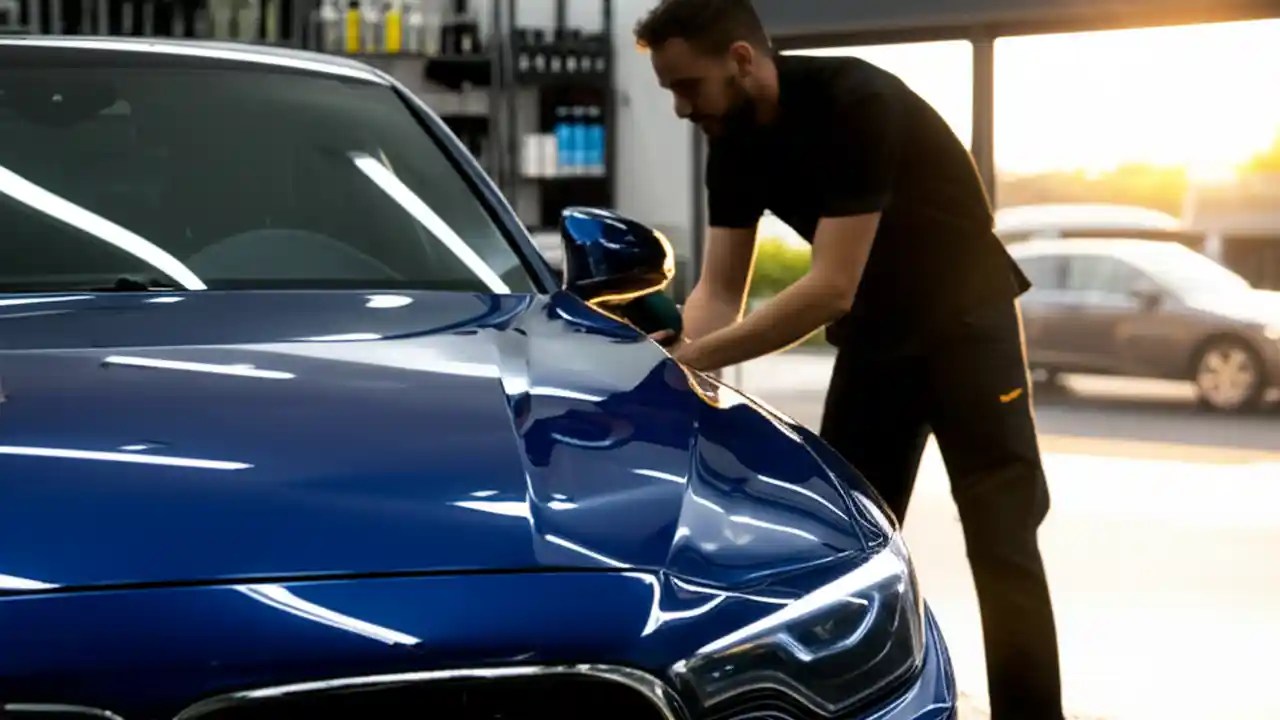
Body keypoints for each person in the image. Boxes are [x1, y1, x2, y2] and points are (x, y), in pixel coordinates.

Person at [633, 1, 1064, 718]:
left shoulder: (856, 103)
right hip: (877, 341)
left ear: (741, 60)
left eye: (687, 86)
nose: (680, 109)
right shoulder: (732, 141)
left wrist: (694, 359)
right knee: (845, 544)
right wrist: (665, 361)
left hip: (967, 328)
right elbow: (718, 293)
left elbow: (830, 288)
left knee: (1002, 544)